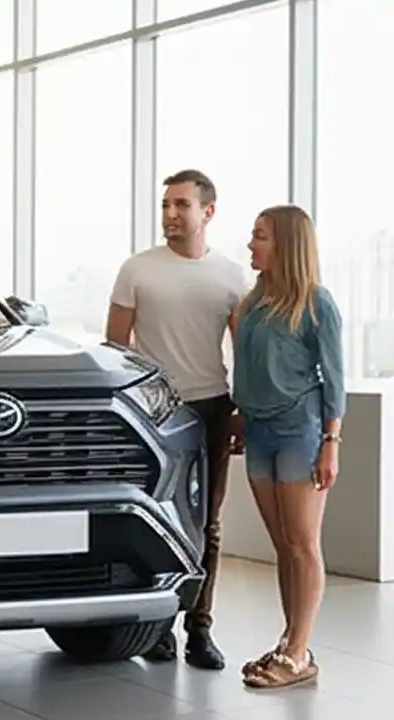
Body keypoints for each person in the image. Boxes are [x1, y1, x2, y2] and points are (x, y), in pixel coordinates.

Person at [105, 169, 247, 670]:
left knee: (207, 524)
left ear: (207, 212)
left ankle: (200, 630)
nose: (170, 215)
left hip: (211, 408)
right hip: (152, 414)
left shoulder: (231, 276)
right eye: (166, 205)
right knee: (156, 519)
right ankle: (158, 628)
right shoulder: (137, 269)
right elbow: (116, 349)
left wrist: (240, 413)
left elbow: (244, 350)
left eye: (181, 205)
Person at [234, 205, 343, 689]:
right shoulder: (252, 304)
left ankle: (298, 652)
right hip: (258, 431)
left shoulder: (318, 303)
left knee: (303, 544)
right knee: (283, 545)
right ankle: (289, 643)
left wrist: (331, 442)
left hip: (301, 431)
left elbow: (334, 379)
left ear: (286, 246)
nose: (251, 245)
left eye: (260, 237)